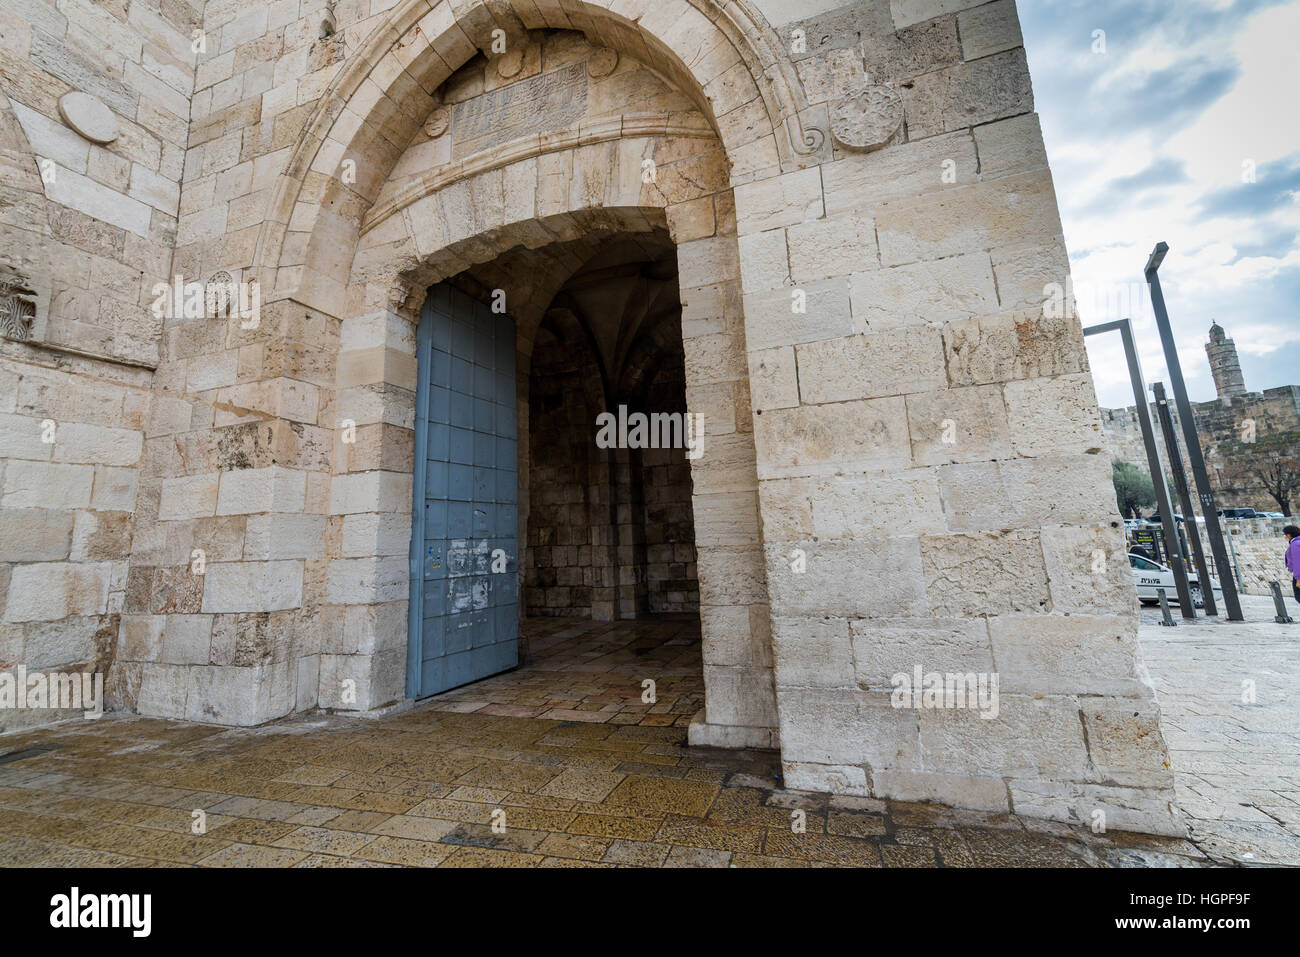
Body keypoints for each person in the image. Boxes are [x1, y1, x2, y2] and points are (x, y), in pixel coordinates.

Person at [1285, 525, 1300, 606]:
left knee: (1298, 596)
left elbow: (1298, 562)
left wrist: (1298, 579)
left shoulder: (1295, 544)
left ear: (1288, 535)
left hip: (1298, 575)